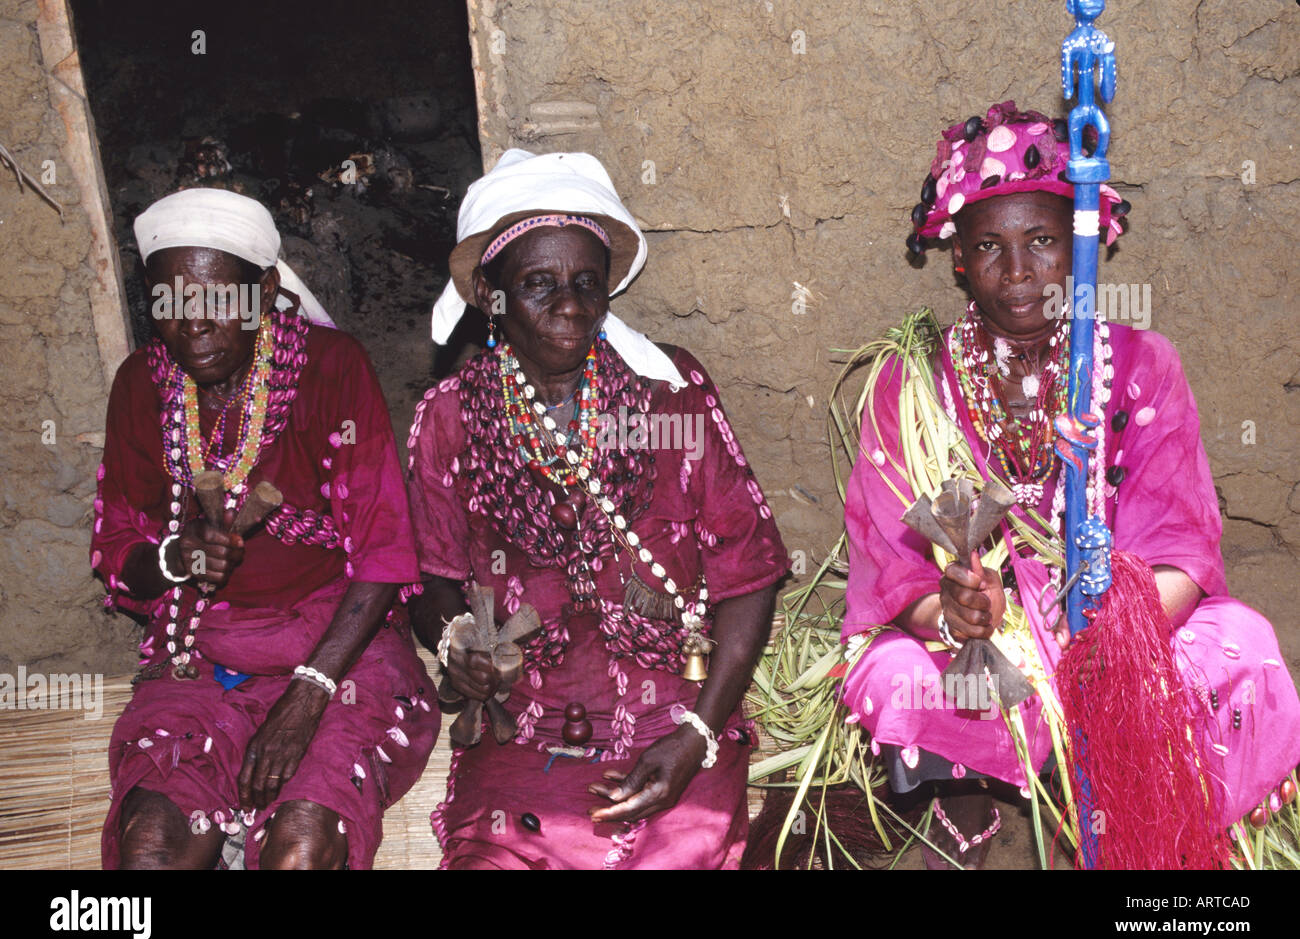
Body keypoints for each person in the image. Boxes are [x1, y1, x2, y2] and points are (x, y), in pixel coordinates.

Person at [839, 102, 1300, 868]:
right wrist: (955, 615)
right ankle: (972, 809)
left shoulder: (1142, 364)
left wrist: (1097, 639)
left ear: (1084, 250)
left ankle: (1128, 814)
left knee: (1241, 648)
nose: (1018, 272)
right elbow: (891, 558)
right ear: (957, 258)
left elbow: (1182, 549)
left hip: (1120, 634)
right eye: (989, 247)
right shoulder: (909, 385)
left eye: (1043, 242)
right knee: (898, 678)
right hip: (990, 643)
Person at [407, 150, 788, 869]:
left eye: (587, 283)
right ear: (491, 298)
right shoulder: (451, 416)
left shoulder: (669, 392)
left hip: (671, 710)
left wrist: (697, 738)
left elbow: (750, 572)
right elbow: (430, 578)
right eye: (537, 285)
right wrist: (460, 639)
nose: (571, 306)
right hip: (523, 720)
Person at [93, 187, 436, 869]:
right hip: (202, 654)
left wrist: (309, 694)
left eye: (220, 299)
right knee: (150, 848)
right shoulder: (142, 385)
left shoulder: (332, 370)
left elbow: (384, 555)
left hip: (341, 654)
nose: (195, 325)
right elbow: (119, 552)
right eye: (171, 302)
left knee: (301, 845)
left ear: (266, 289)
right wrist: (171, 558)